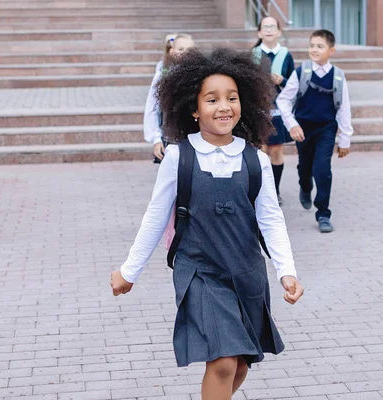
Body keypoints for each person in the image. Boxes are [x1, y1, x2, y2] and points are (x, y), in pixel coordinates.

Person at [111, 47, 304, 400]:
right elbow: (156, 215)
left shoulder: (255, 159)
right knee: (223, 362)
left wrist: (286, 271)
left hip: (247, 272)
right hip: (199, 271)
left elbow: (271, 218)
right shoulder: (178, 156)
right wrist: (129, 270)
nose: (223, 107)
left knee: (241, 363)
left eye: (231, 98)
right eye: (212, 99)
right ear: (194, 109)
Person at [276, 29, 353, 233]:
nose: (314, 49)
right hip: (303, 129)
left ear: (331, 50)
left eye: (319, 46)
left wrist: (345, 139)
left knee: (323, 170)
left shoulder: (338, 77)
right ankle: (305, 186)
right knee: (305, 167)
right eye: (311, 46)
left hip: (326, 129)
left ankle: (323, 214)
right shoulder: (302, 72)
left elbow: (344, 108)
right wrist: (292, 124)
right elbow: (283, 100)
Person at [252, 17, 295, 206]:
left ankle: (275, 191)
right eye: (265, 27)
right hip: (259, 109)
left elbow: (293, 83)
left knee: (276, 150)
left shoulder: (286, 54)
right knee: (260, 150)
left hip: (278, 108)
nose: (269, 30)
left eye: (273, 26)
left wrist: (282, 81)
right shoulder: (254, 54)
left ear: (278, 31)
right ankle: (261, 191)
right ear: (259, 33)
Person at [144, 34, 196, 163]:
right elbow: (153, 107)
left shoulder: (200, 75)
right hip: (171, 134)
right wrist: (156, 139)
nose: (185, 53)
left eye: (189, 50)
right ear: (172, 52)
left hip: (195, 134)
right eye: (181, 49)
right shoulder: (163, 75)